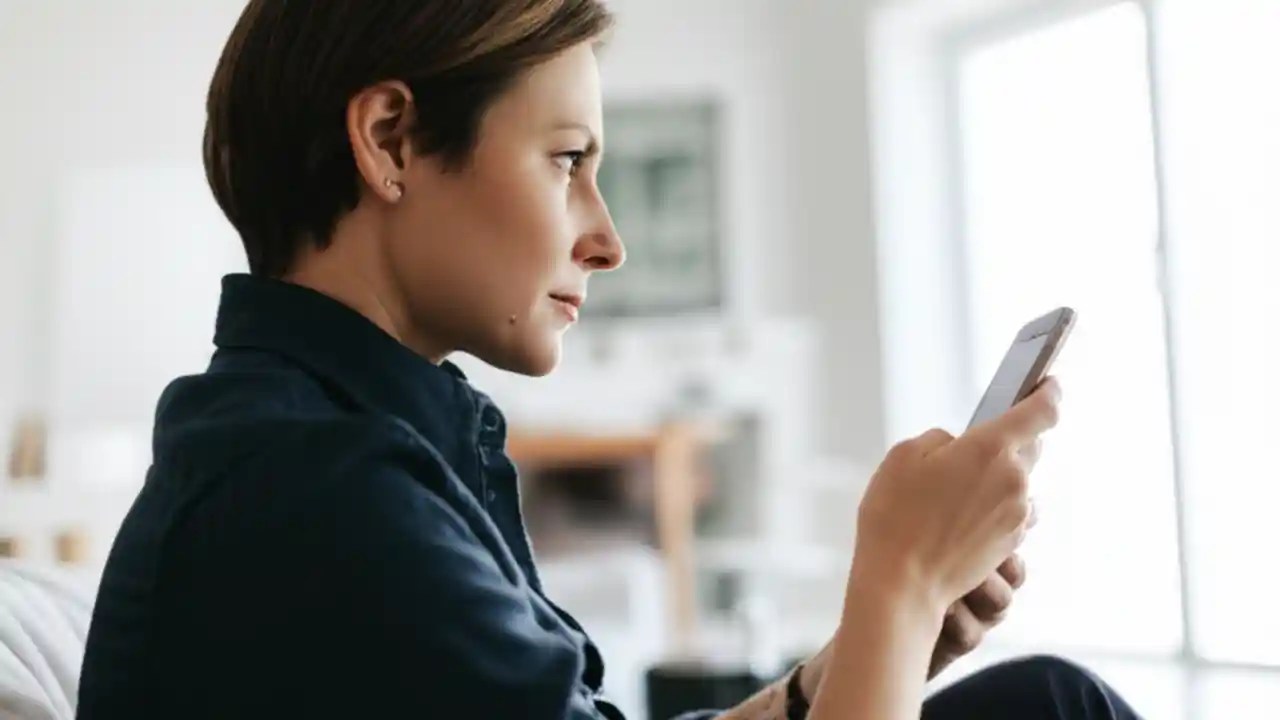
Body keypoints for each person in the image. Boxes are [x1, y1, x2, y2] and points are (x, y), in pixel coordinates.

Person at [77, 1, 1143, 719]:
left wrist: (856, 661)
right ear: (392, 140)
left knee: (1038, 700)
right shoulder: (318, 496)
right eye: (566, 161)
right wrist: (898, 587)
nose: (606, 237)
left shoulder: (331, 448)